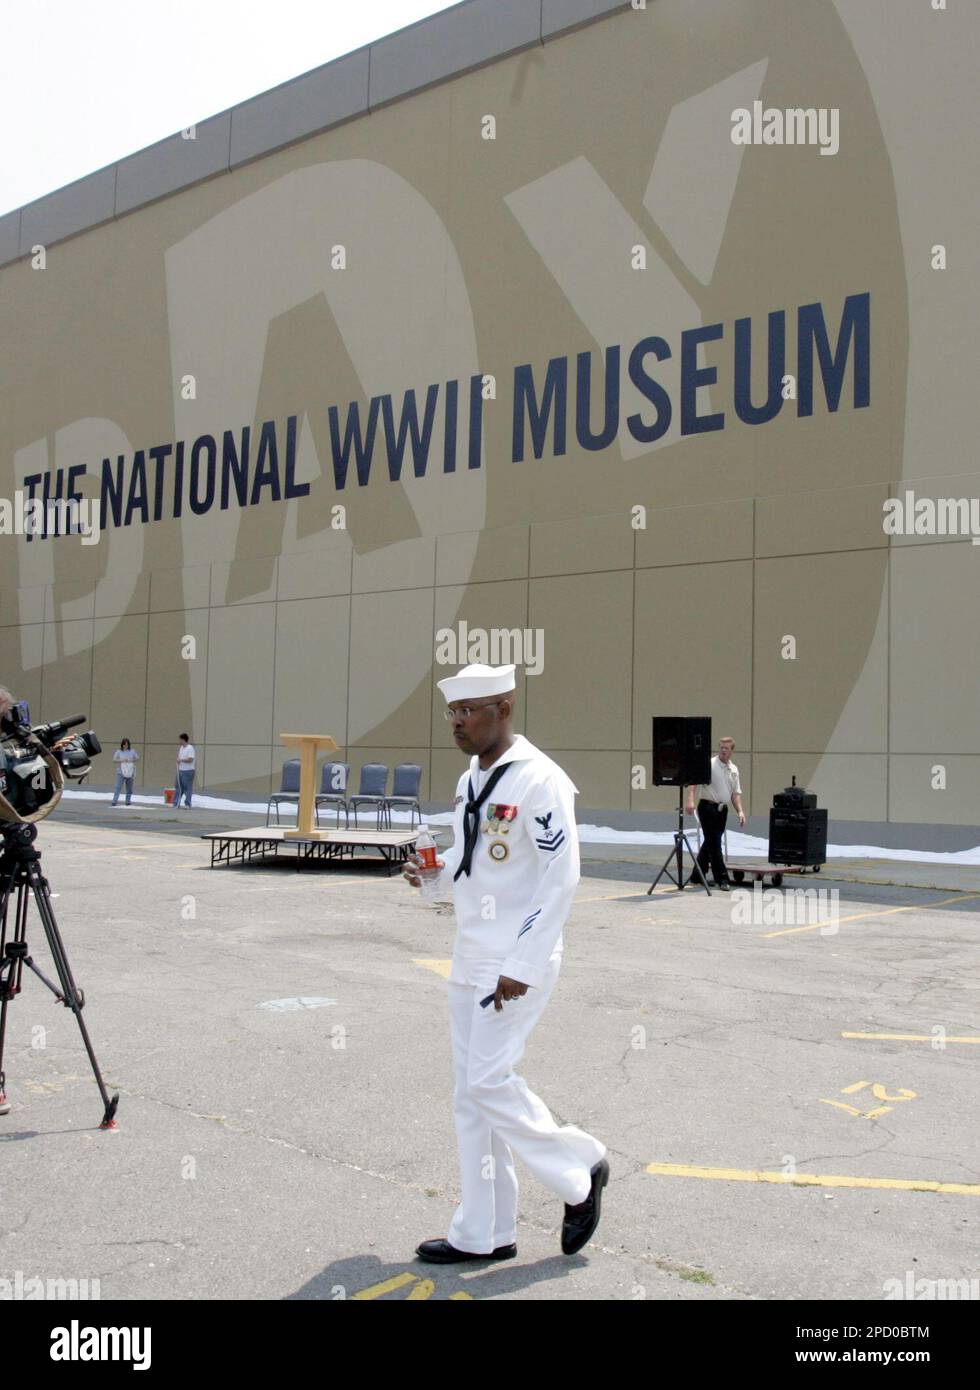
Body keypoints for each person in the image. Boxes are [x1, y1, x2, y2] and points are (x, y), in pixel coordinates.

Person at [403, 663, 608, 1265]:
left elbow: (561, 875)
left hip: (515, 961)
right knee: (471, 1097)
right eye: (453, 712)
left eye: (470, 711)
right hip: (470, 954)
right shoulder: (473, 779)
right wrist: (433, 876)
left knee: (489, 1080)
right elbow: (474, 858)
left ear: (504, 708)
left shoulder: (541, 781)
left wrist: (525, 958)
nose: (458, 723)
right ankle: (484, 1233)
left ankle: (579, 1172)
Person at [684, 736, 745, 891]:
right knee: (715, 844)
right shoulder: (710, 764)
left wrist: (740, 811)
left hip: (722, 810)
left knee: (710, 843)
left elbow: (735, 794)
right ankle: (722, 878)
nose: (723, 750)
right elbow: (693, 783)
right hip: (707, 807)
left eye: (726, 748)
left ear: (732, 750)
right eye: (721, 747)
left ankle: (697, 875)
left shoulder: (734, 769)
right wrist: (690, 801)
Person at [111, 738, 139, 806]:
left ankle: (128, 801)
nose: (126, 746)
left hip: (130, 771)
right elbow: (114, 759)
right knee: (118, 787)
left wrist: (131, 759)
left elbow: (137, 758)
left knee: (129, 788)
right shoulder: (119, 751)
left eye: (127, 745)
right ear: (122, 745)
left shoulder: (132, 751)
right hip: (121, 771)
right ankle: (114, 801)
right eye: (124, 745)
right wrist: (122, 760)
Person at [175, 733, 196, 807]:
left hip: (188, 771)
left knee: (187, 788)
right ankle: (176, 803)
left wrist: (181, 760)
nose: (179, 741)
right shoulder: (181, 748)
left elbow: (190, 759)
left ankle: (188, 803)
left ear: (183, 739)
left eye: (180, 739)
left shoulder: (190, 748)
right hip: (181, 770)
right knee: (178, 787)